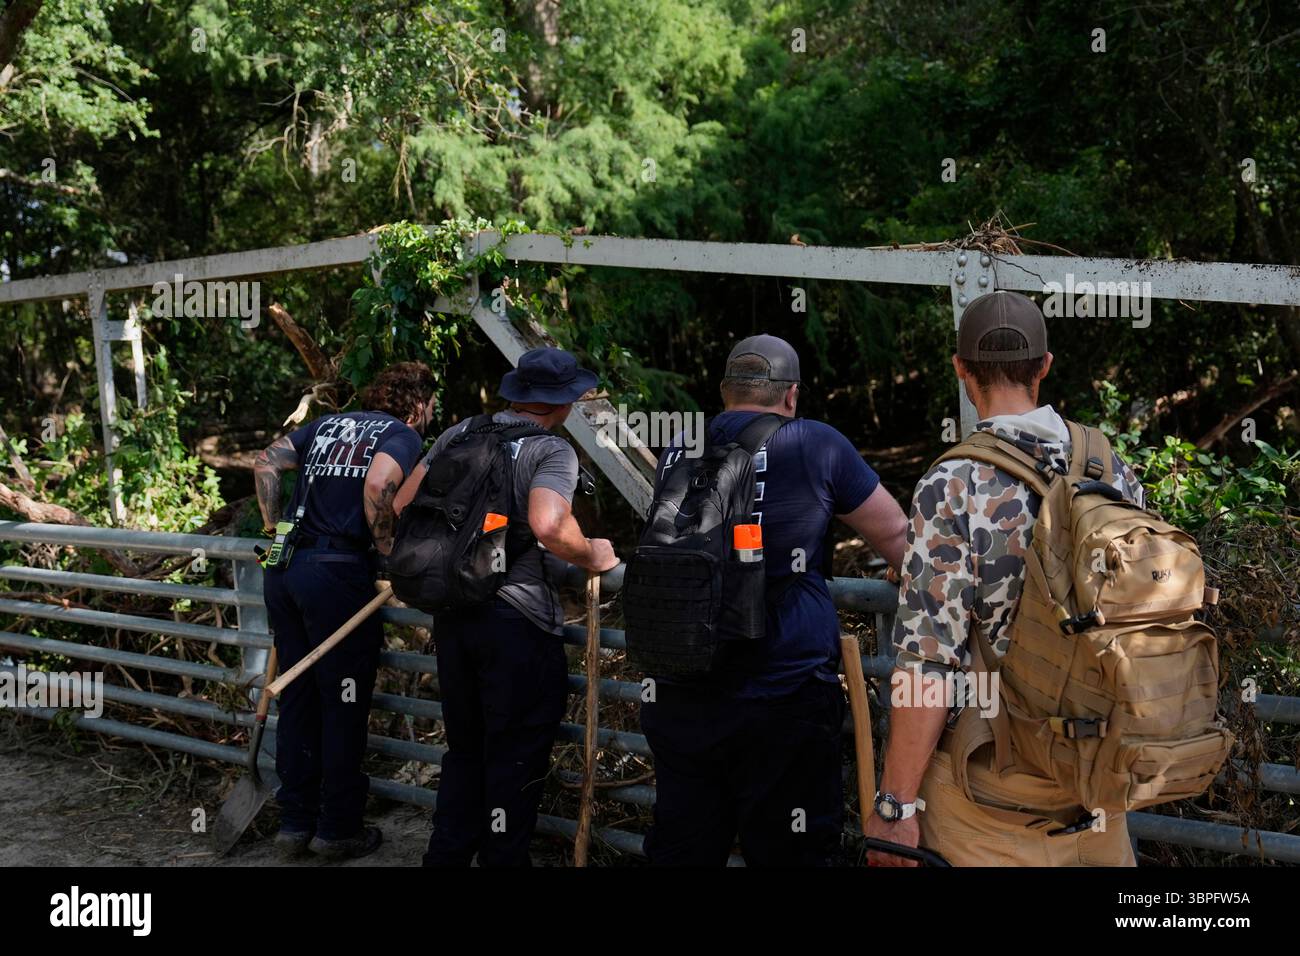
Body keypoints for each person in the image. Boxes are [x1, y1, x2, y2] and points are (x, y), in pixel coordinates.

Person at [867, 290, 1144, 867]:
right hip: (1099, 787)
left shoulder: (953, 485)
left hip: (991, 804)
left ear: (962, 369)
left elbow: (927, 666)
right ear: (1044, 366)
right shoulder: (1109, 467)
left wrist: (895, 806)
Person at [639, 334, 909, 866]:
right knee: (794, 851)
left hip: (681, 681)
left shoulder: (680, 444)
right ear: (791, 397)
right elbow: (898, 535)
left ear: (724, 392)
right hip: (783, 691)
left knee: (683, 845)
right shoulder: (816, 443)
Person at [394, 347, 619, 867]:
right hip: (516, 621)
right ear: (561, 402)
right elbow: (548, 525)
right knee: (516, 754)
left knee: (466, 750)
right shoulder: (551, 451)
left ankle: (445, 858)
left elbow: (403, 503)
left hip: (455, 618)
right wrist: (592, 554)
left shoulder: (461, 433)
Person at [253, 360, 436, 859]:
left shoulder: (329, 424)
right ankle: (337, 828)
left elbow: (266, 461)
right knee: (344, 699)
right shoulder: (400, 434)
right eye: (432, 405)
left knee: (297, 693)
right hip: (336, 573)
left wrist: (274, 528)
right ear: (419, 403)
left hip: (283, 566)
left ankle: (294, 822)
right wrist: (386, 547)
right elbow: (380, 486)